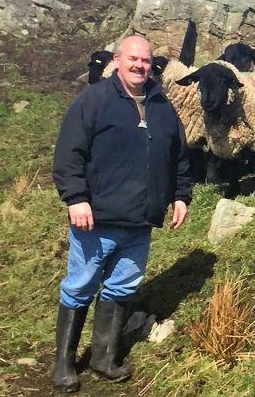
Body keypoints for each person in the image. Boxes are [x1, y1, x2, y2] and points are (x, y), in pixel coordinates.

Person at [51, 35, 191, 392]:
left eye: (145, 61)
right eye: (133, 59)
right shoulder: (94, 100)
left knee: (122, 286)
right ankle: (64, 364)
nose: (140, 66)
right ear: (118, 59)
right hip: (96, 218)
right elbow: (69, 153)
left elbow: (178, 156)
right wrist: (76, 197)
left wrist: (180, 195)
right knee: (80, 285)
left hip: (141, 220)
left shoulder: (162, 105)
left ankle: (104, 358)